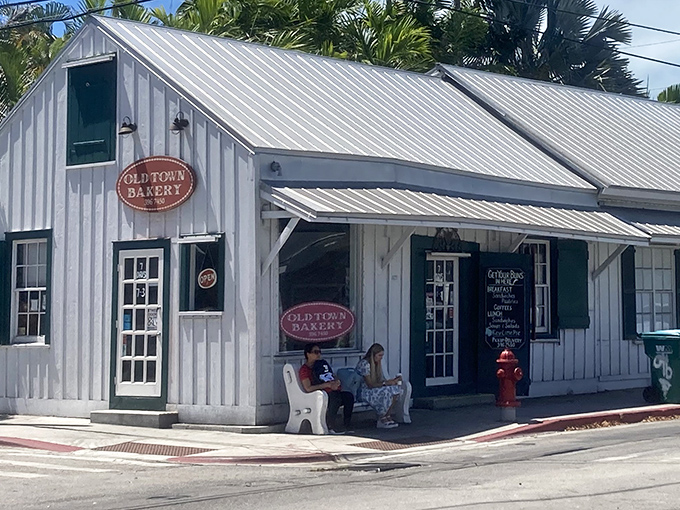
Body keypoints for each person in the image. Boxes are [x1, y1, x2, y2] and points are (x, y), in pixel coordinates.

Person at [299, 343, 354, 434]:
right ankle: (330, 425)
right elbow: (308, 388)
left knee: (348, 396)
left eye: (319, 352)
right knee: (334, 398)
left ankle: (347, 424)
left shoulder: (322, 364)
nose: (318, 354)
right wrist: (326, 386)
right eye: (315, 352)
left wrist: (337, 382)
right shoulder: (305, 369)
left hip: (332, 390)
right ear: (308, 354)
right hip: (318, 394)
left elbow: (331, 376)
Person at [356, 343, 403, 429]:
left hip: (374, 389)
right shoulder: (365, 364)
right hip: (365, 391)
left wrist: (392, 381)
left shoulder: (377, 364)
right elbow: (370, 384)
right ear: (373, 355)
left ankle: (387, 415)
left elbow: (378, 382)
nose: (381, 358)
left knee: (395, 390)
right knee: (387, 391)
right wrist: (385, 383)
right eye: (379, 355)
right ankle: (382, 417)